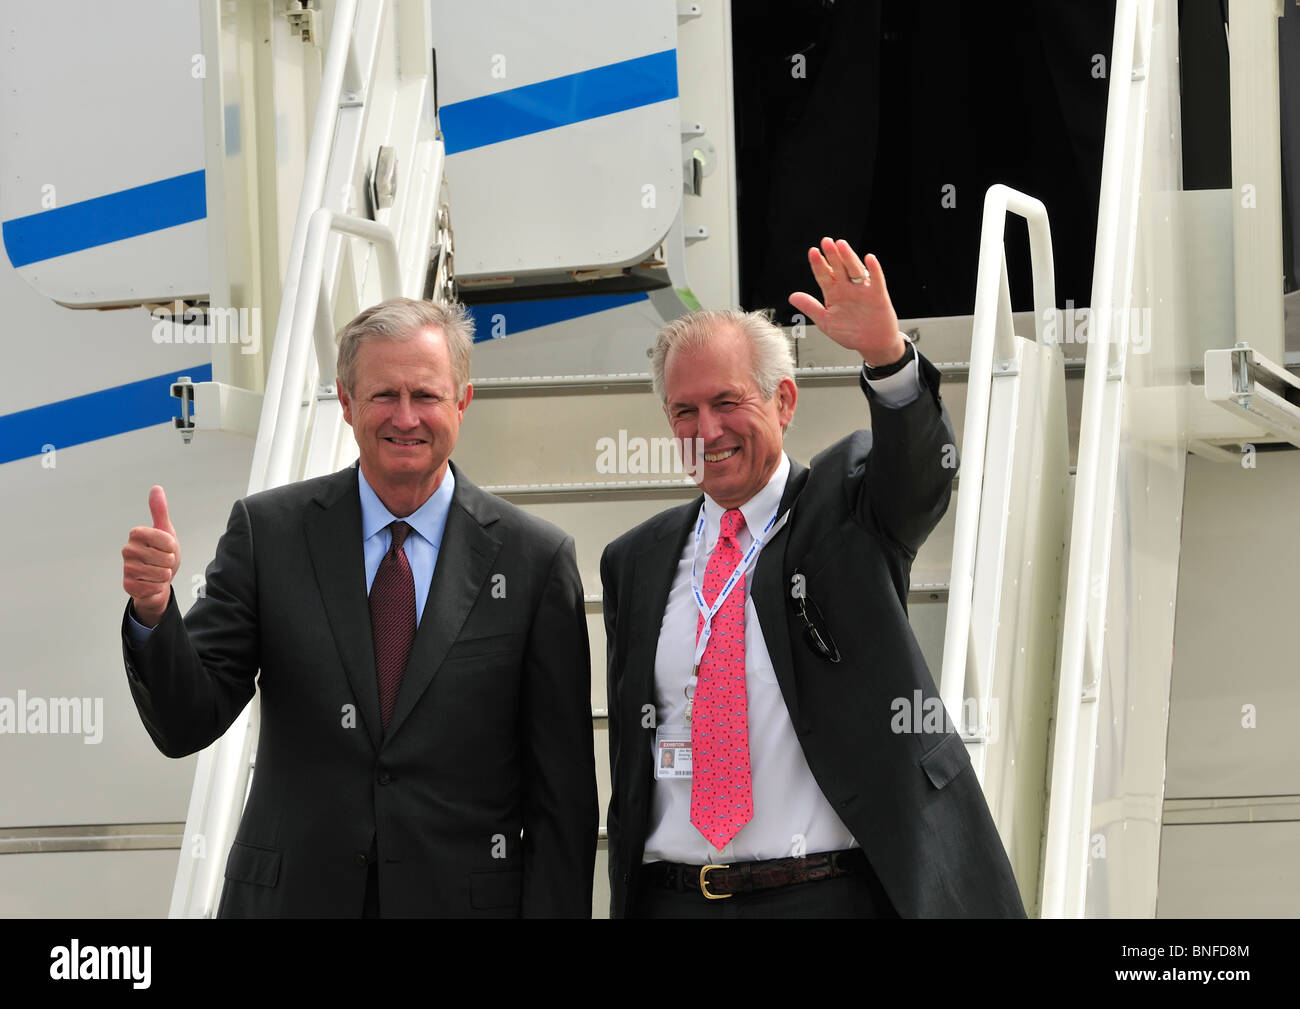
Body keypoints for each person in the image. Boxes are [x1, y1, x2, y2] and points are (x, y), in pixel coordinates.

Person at [120, 298, 597, 918]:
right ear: (345, 403)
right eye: (382, 396)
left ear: (463, 402)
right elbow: (189, 720)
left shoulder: (535, 560)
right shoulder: (269, 534)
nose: (405, 417)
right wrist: (155, 615)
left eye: (426, 395)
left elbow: (563, 798)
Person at [601, 238, 1025, 918]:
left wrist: (888, 358)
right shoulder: (636, 561)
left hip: (823, 895)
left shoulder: (844, 508)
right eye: (684, 411)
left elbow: (918, 477)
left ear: (785, 401)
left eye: (727, 401)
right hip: (675, 897)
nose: (707, 429)